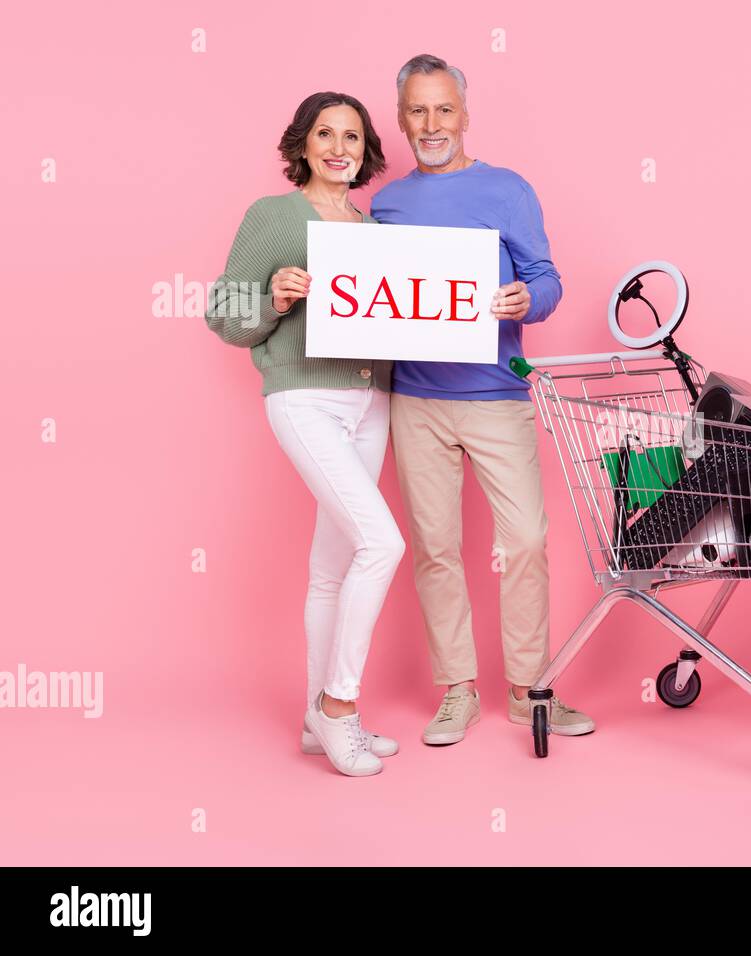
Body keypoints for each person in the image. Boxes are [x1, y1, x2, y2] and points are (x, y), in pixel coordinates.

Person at [371, 54, 594, 746]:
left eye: (443, 109)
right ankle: (457, 689)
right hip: (415, 399)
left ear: (464, 116)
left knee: (525, 538)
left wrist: (531, 299)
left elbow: (547, 279)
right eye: (417, 110)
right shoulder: (385, 205)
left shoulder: (507, 190)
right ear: (402, 118)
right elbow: (376, 299)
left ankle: (532, 688)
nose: (431, 124)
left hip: (497, 394)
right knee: (435, 547)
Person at [204, 92, 406, 777]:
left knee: (332, 567)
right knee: (382, 542)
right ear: (302, 145)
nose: (339, 146)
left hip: (370, 401)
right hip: (304, 396)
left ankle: (314, 723)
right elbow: (225, 313)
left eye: (352, 135)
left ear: (366, 150)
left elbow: (402, 318)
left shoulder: (377, 232)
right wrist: (276, 298)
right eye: (325, 133)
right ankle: (339, 706)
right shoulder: (275, 216)